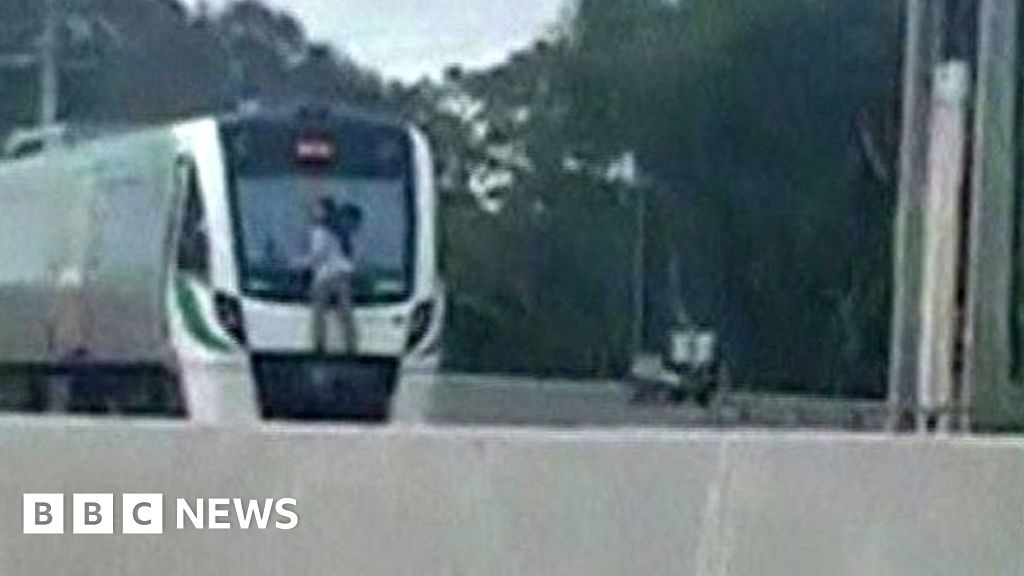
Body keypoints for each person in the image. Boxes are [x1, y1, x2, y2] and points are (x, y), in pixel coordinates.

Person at [294, 197, 362, 355]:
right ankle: (351, 346)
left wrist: (295, 264)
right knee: (346, 314)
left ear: (324, 211)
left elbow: (317, 256)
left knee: (318, 313)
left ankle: (319, 346)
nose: (313, 212)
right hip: (343, 275)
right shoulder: (339, 230)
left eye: (317, 209)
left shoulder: (319, 231)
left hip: (325, 277)